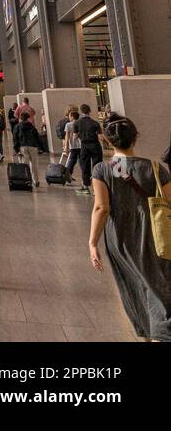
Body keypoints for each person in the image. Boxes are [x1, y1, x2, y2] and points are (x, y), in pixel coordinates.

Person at [88, 116, 170, 342]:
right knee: (158, 282)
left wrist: (92, 242)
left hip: (121, 237)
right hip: (157, 233)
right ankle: (158, 331)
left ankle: (155, 333)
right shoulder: (154, 168)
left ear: (107, 141)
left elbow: (102, 208)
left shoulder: (106, 168)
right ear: (135, 137)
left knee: (134, 282)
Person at [12, 107, 46, 189]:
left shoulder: (17, 126)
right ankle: (36, 181)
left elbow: (15, 138)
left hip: (22, 147)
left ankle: (26, 180)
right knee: (34, 164)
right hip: (33, 147)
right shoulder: (32, 127)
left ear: (20, 118)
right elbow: (38, 138)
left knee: (25, 165)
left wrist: (16, 149)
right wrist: (41, 148)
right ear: (28, 118)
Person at [74, 103, 104, 195]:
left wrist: (82, 137)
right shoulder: (95, 123)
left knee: (85, 166)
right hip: (95, 145)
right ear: (89, 111)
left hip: (84, 146)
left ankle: (86, 187)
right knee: (97, 166)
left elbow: (75, 137)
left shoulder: (77, 123)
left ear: (81, 111)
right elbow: (101, 137)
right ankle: (97, 189)